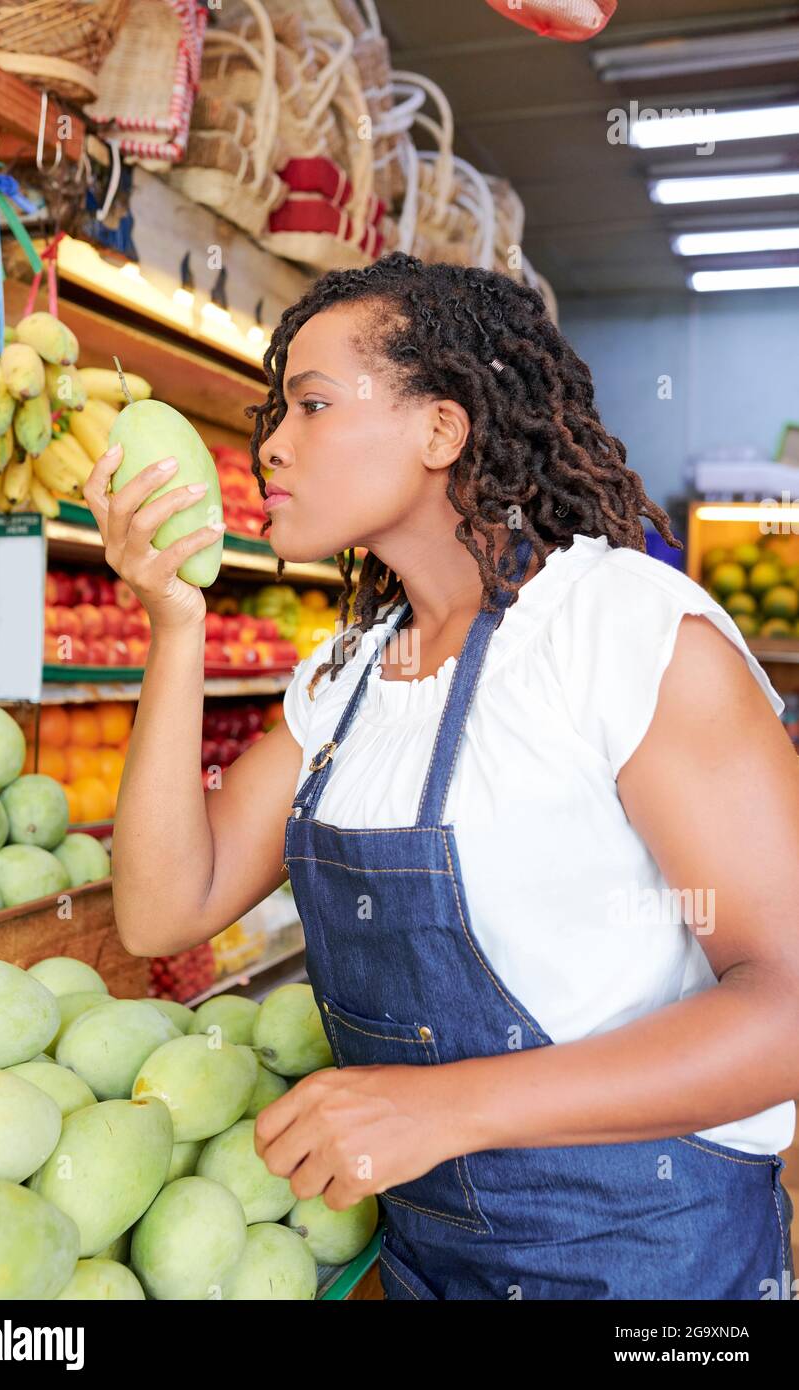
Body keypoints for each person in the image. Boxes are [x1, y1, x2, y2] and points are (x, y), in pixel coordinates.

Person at [84, 251, 799, 1301]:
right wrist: (173, 619)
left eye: (311, 406)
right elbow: (159, 910)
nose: (270, 446)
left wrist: (443, 1108)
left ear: (440, 429)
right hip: (428, 1266)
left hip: (650, 1268)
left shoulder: (620, 630)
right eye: (273, 414)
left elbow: (784, 1006)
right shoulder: (347, 680)